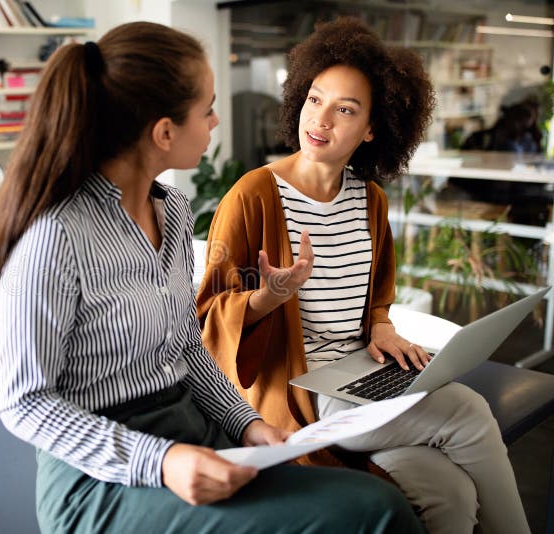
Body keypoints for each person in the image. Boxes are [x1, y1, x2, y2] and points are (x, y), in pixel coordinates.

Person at [0, 21, 423, 534]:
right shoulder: (55, 236)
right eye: (206, 109)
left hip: (193, 430)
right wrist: (161, 460)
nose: (215, 122)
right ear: (164, 132)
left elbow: (187, 347)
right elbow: (24, 404)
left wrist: (247, 424)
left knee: (376, 501)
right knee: (377, 514)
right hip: (99, 479)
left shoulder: (174, 212)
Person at [197, 17, 529, 534]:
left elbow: (377, 296)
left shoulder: (368, 200)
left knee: (451, 494)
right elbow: (207, 319)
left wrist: (381, 326)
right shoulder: (253, 196)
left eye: (344, 109)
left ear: (373, 128)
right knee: (468, 411)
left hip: (361, 376)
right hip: (301, 394)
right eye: (315, 99)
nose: (321, 119)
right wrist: (266, 297)